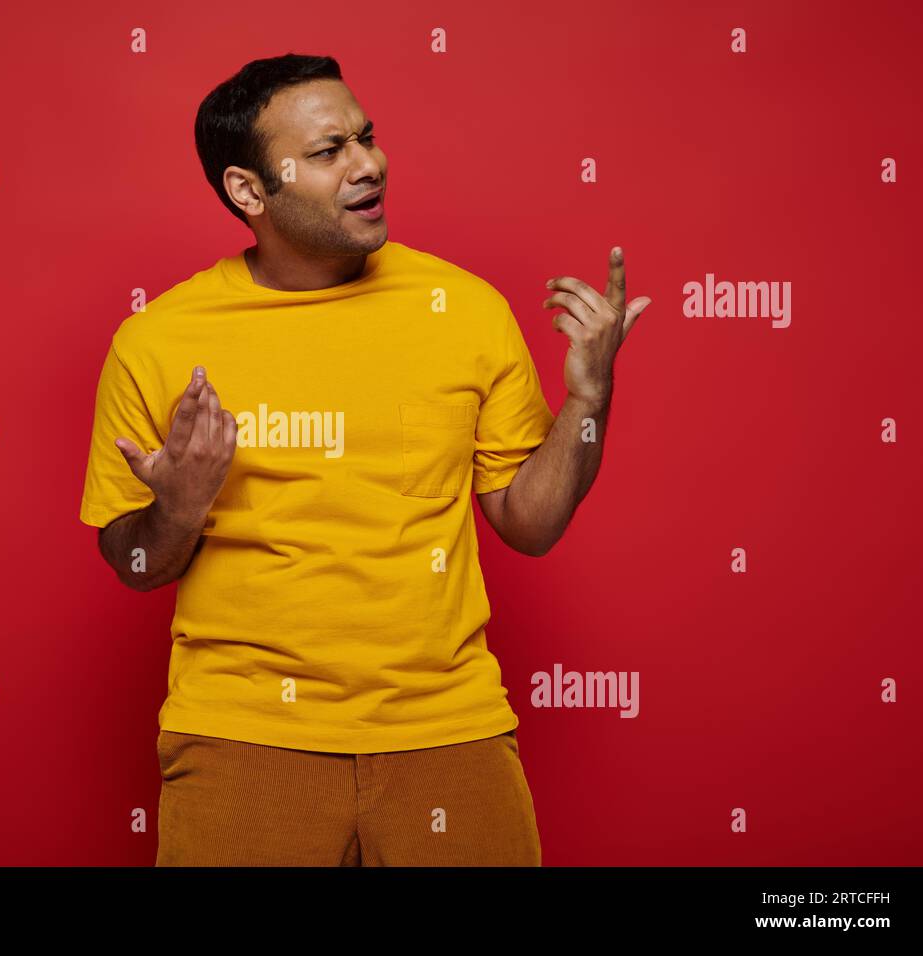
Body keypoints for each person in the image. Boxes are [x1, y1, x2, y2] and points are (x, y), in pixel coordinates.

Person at [78, 53, 650, 866]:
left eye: (366, 138)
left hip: (448, 732)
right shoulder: (159, 341)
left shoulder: (464, 311)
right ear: (249, 190)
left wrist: (588, 403)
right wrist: (181, 503)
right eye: (327, 151)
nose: (367, 164)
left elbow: (530, 524)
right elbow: (134, 563)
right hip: (245, 737)